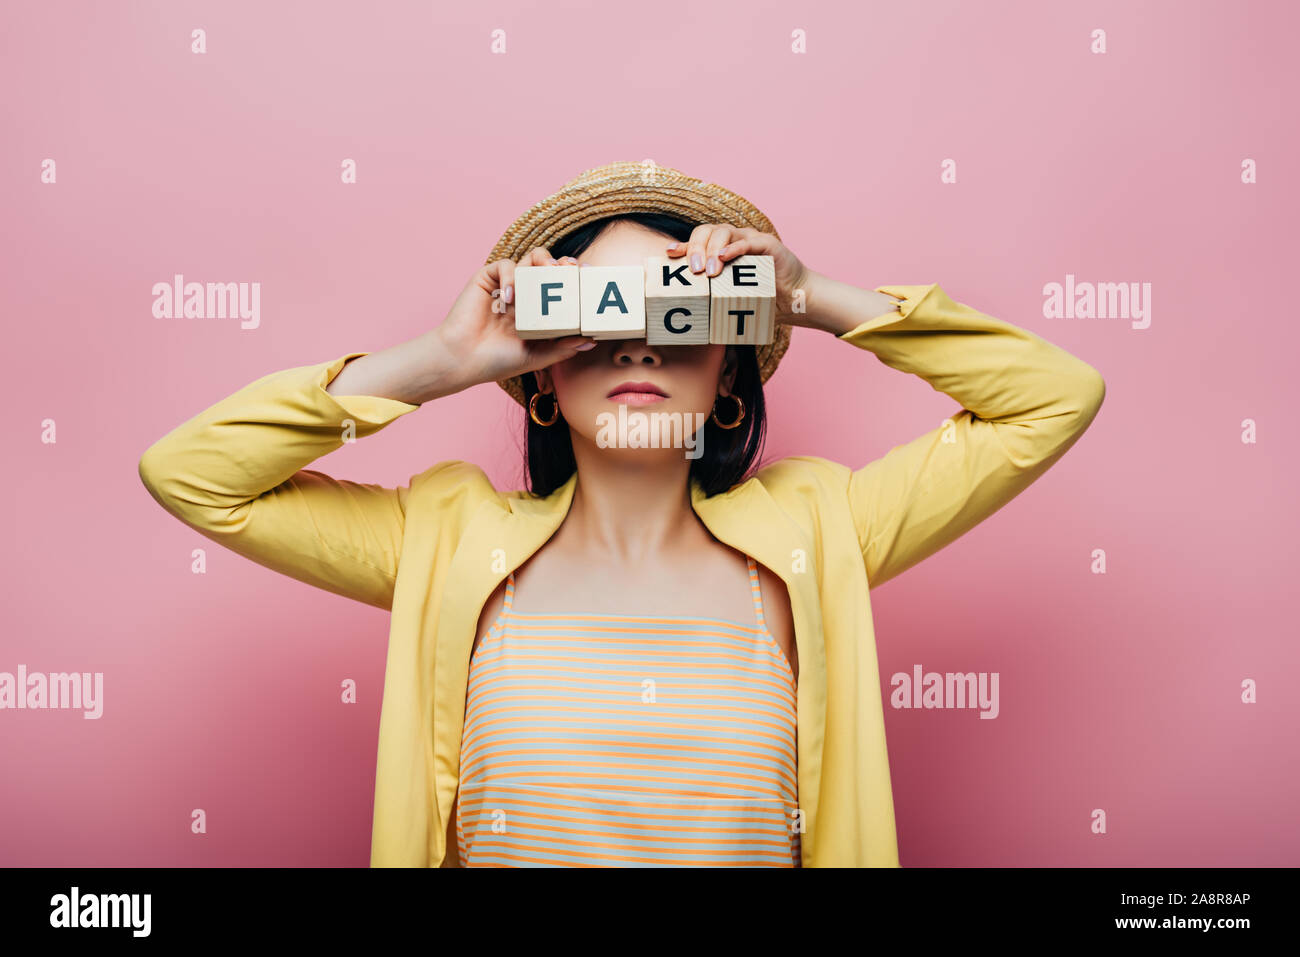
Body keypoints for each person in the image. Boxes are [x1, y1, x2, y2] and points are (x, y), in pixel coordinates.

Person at [138, 161, 1106, 867]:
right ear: (543, 379)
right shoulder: (443, 537)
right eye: (597, 316)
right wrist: (438, 364)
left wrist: (808, 297)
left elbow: (1052, 396)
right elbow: (192, 474)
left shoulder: (822, 532)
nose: (638, 344)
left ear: (728, 373)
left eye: (678, 312)